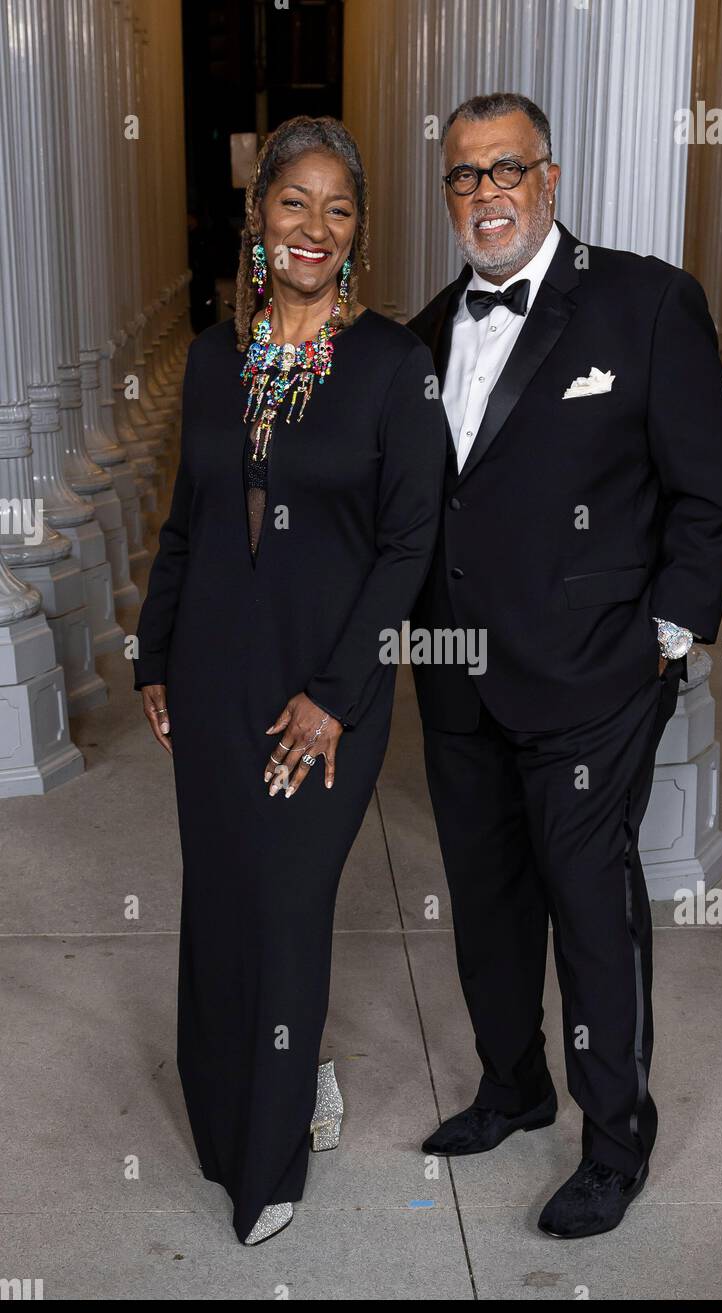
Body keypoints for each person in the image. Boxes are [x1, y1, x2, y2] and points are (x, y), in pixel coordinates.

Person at [409, 92, 722, 1239]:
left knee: (587, 902)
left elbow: (710, 486)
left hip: (594, 673)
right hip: (457, 673)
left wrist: (664, 636)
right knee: (486, 898)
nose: (487, 192)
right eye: (464, 175)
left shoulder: (643, 301)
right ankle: (511, 1086)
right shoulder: (421, 335)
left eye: (507, 169)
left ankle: (614, 1141)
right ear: (447, 192)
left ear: (548, 180)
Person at [134, 116, 446, 1246]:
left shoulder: (390, 365)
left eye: (338, 208)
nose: (313, 227)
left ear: (357, 231)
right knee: (219, 900)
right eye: (293, 203)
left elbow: (409, 544)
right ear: (257, 216)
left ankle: (264, 1165)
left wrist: (336, 690)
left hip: (327, 689)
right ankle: (236, 1109)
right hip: (214, 675)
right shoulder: (219, 357)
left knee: (284, 903)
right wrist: (152, 654)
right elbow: (188, 519)